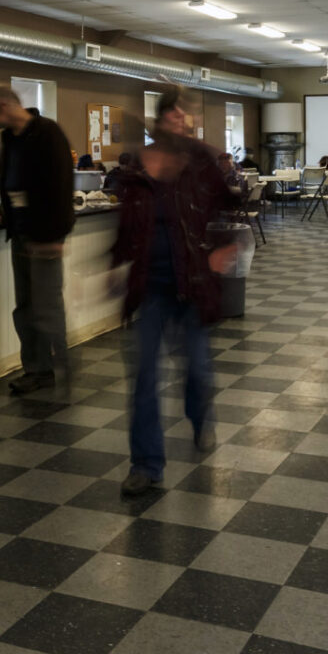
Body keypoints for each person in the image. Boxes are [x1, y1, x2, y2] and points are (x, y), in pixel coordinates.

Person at [110, 87, 239, 496]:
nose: (180, 122)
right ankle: (146, 464)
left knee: (197, 370)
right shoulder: (137, 168)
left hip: (193, 284)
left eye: (186, 117)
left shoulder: (203, 161)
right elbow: (127, 224)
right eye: (173, 116)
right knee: (144, 376)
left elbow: (231, 209)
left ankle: (201, 418)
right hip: (149, 286)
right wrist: (114, 265)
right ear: (161, 120)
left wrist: (224, 248)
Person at [0, 85, 75, 395]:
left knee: (47, 306)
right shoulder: (9, 138)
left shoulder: (48, 134)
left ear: (4, 107)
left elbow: (61, 188)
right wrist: (1, 215)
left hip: (46, 237)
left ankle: (63, 367)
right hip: (20, 235)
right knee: (25, 308)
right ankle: (37, 369)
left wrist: (56, 236)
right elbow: (11, 186)